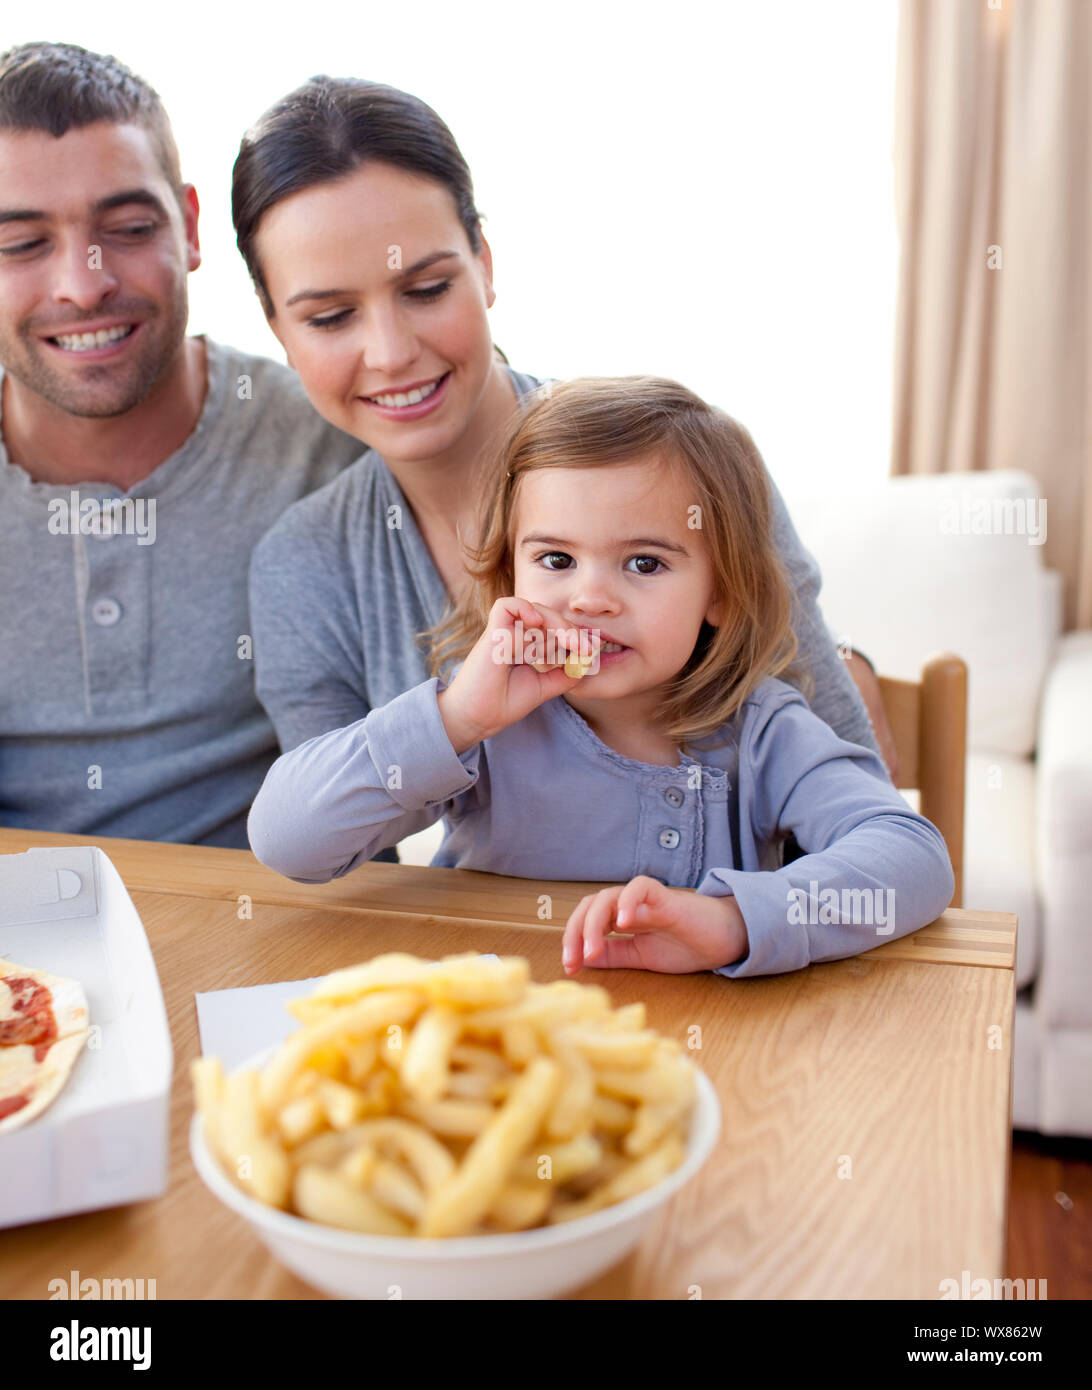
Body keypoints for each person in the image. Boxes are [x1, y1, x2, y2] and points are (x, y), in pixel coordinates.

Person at [237, 76, 899, 866]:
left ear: (484, 262)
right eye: (330, 316)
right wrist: (453, 716)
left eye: (427, 287)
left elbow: (862, 817)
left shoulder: (680, 469)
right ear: (275, 323)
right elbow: (325, 861)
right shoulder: (304, 565)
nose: (389, 352)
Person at [248, 377, 953, 978]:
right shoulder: (483, 722)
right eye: (556, 560)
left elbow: (913, 861)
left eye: (644, 563)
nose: (589, 598)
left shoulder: (762, 731)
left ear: (723, 594)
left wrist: (735, 921)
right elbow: (287, 840)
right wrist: (457, 718)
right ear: (507, 578)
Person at [0, 43, 361, 846]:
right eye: (22, 244)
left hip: (268, 947)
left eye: (127, 228)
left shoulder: (331, 437)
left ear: (191, 228)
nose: (83, 284)